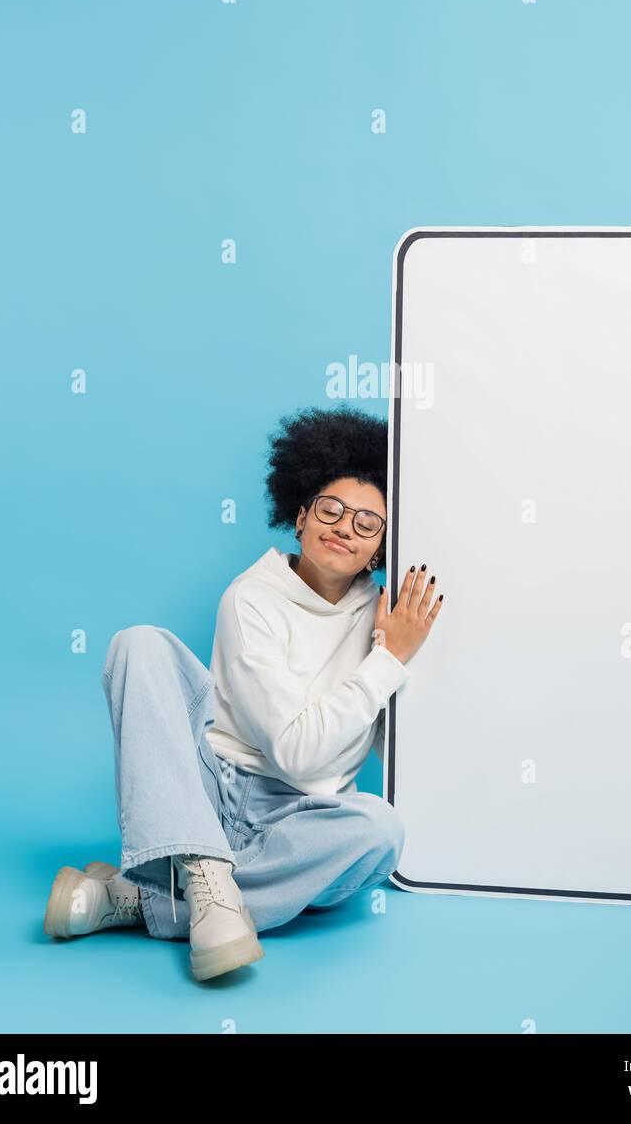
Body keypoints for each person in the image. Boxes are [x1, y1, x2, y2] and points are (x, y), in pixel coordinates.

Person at [43, 405, 444, 981]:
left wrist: (395, 649)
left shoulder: (386, 617)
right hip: (211, 792)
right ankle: (204, 872)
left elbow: (383, 749)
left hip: (300, 822)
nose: (344, 528)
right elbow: (297, 750)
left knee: (382, 830)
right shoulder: (251, 597)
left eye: (366, 523)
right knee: (140, 644)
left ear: (380, 546)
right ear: (301, 514)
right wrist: (388, 660)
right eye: (331, 509)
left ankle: (142, 900)